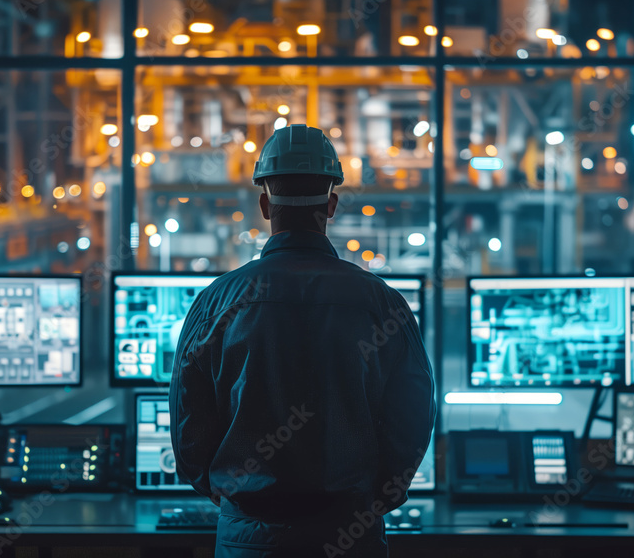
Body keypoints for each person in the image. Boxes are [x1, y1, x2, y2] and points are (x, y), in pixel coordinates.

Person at [170, 124, 435, 557]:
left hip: (247, 537)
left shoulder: (217, 303)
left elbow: (188, 423)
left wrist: (232, 497)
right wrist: (372, 502)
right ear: (331, 206)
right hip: (350, 535)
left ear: (263, 204)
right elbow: (414, 416)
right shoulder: (381, 304)